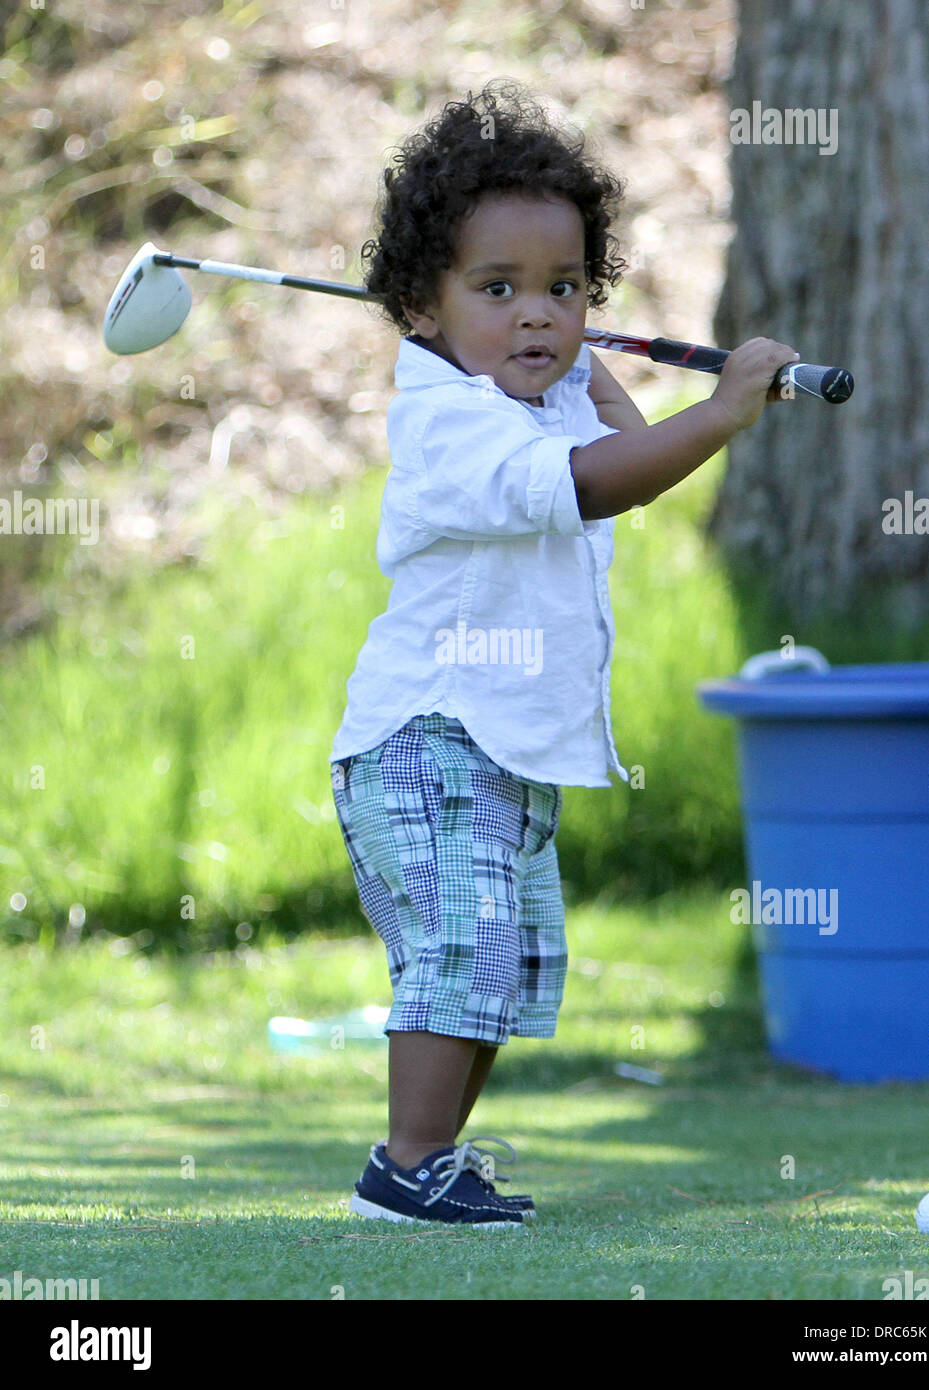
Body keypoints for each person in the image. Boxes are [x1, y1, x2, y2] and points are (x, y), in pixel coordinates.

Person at [329, 79, 798, 1229]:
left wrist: (586, 365)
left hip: (507, 748)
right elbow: (598, 485)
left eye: (561, 289)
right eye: (496, 290)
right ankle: (405, 1164)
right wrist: (726, 412)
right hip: (432, 740)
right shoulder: (448, 422)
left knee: (508, 964)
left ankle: (436, 1155)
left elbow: (626, 456)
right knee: (462, 950)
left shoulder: (538, 399)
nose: (533, 313)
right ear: (420, 308)